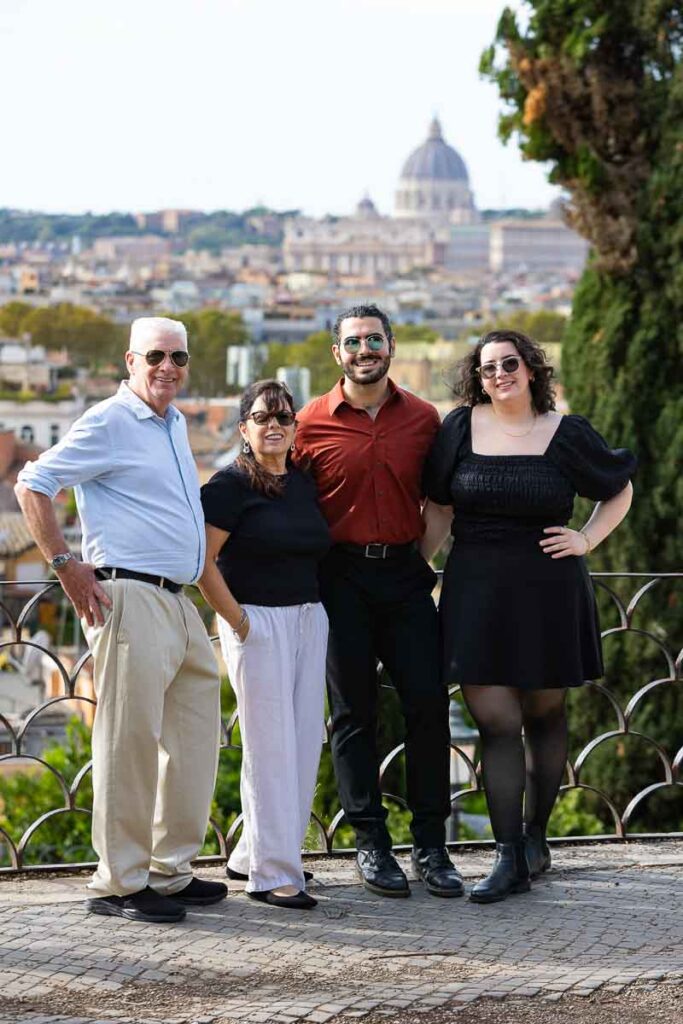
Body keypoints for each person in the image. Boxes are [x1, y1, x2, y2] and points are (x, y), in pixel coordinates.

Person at [15, 317, 225, 924]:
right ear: (129, 361)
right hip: (127, 597)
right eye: (156, 356)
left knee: (192, 741)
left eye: (179, 358)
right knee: (128, 742)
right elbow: (34, 483)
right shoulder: (110, 420)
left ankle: (169, 868)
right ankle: (118, 883)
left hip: (179, 601)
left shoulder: (174, 422)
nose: (168, 367)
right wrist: (65, 566)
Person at [423, 329, 636, 903]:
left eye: (509, 363)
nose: (499, 375)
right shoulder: (459, 428)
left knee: (545, 716)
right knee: (495, 721)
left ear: (532, 369)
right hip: (475, 595)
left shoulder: (567, 433)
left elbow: (619, 489)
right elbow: (439, 506)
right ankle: (508, 854)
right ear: (478, 377)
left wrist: (587, 540)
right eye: (488, 367)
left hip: (548, 593)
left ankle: (537, 840)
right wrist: (416, 568)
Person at [295, 303, 462, 899]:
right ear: (335, 353)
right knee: (351, 715)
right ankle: (371, 841)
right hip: (338, 582)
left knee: (428, 705)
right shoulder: (309, 422)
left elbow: (440, 501)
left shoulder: (423, 419)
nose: (364, 350)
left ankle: (431, 845)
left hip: (405, 574)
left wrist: (420, 562)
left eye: (374, 340)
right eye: (353, 342)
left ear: (391, 346)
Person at [199, 380, 330, 910]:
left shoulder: (302, 483)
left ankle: (255, 849)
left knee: (302, 743)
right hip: (258, 622)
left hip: (307, 618)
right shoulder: (228, 486)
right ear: (244, 430)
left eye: (282, 417)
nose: (273, 425)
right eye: (261, 417)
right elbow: (202, 564)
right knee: (270, 746)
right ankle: (273, 872)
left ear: (295, 427)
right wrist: (239, 622)